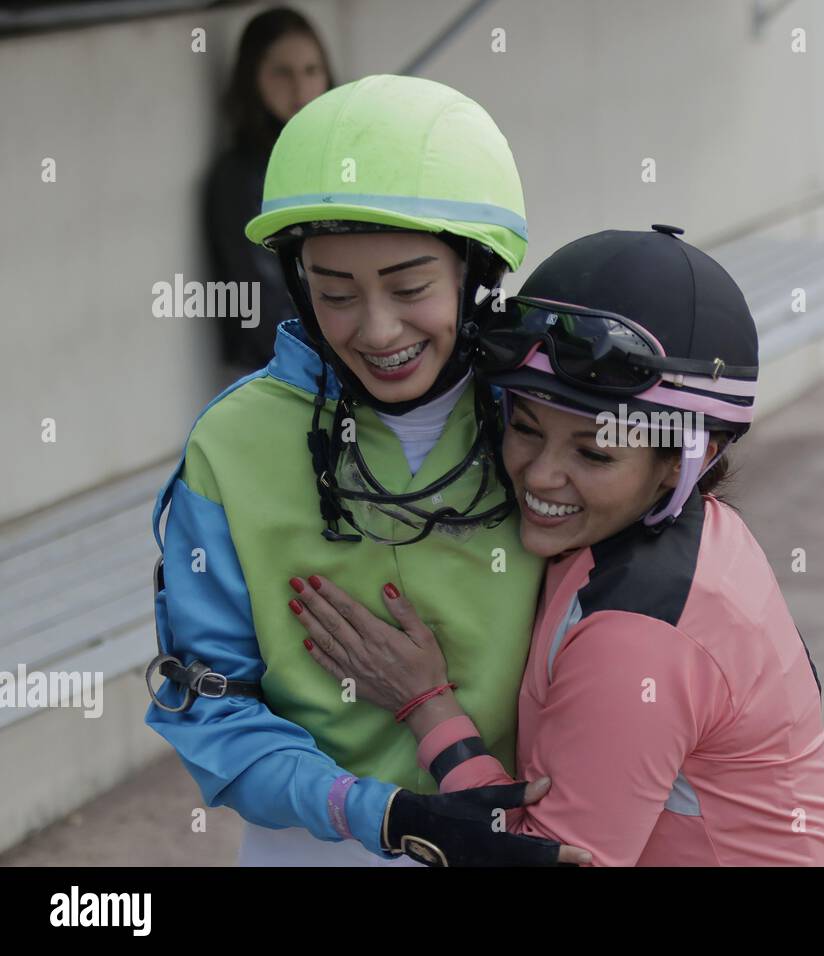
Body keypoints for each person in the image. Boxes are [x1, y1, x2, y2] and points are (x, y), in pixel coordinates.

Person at [290, 226, 824, 865]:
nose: (541, 475)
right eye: (526, 428)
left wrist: (425, 705)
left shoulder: (638, 628)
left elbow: (556, 859)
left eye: (593, 453)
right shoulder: (696, 531)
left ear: (687, 458)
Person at [147, 74, 585, 866]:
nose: (377, 330)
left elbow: (654, 625)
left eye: (410, 287)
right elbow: (211, 707)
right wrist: (379, 814)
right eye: (335, 292)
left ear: (474, 272)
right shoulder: (229, 444)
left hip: (530, 840)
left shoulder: (547, 413)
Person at [203, 6, 333, 371]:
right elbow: (260, 307)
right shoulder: (240, 177)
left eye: (311, 70)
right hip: (289, 376)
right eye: (282, 72)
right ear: (252, 78)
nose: (300, 88)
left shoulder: (341, 157)